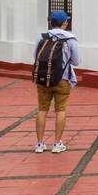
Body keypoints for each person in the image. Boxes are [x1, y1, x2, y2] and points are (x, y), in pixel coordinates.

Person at [33, 11, 80, 153]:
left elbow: (36, 56)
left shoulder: (41, 37)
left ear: (50, 22)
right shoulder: (71, 39)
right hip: (62, 79)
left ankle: (40, 144)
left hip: (43, 79)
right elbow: (76, 61)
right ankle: (57, 144)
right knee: (60, 109)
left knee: (42, 109)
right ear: (65, 23)